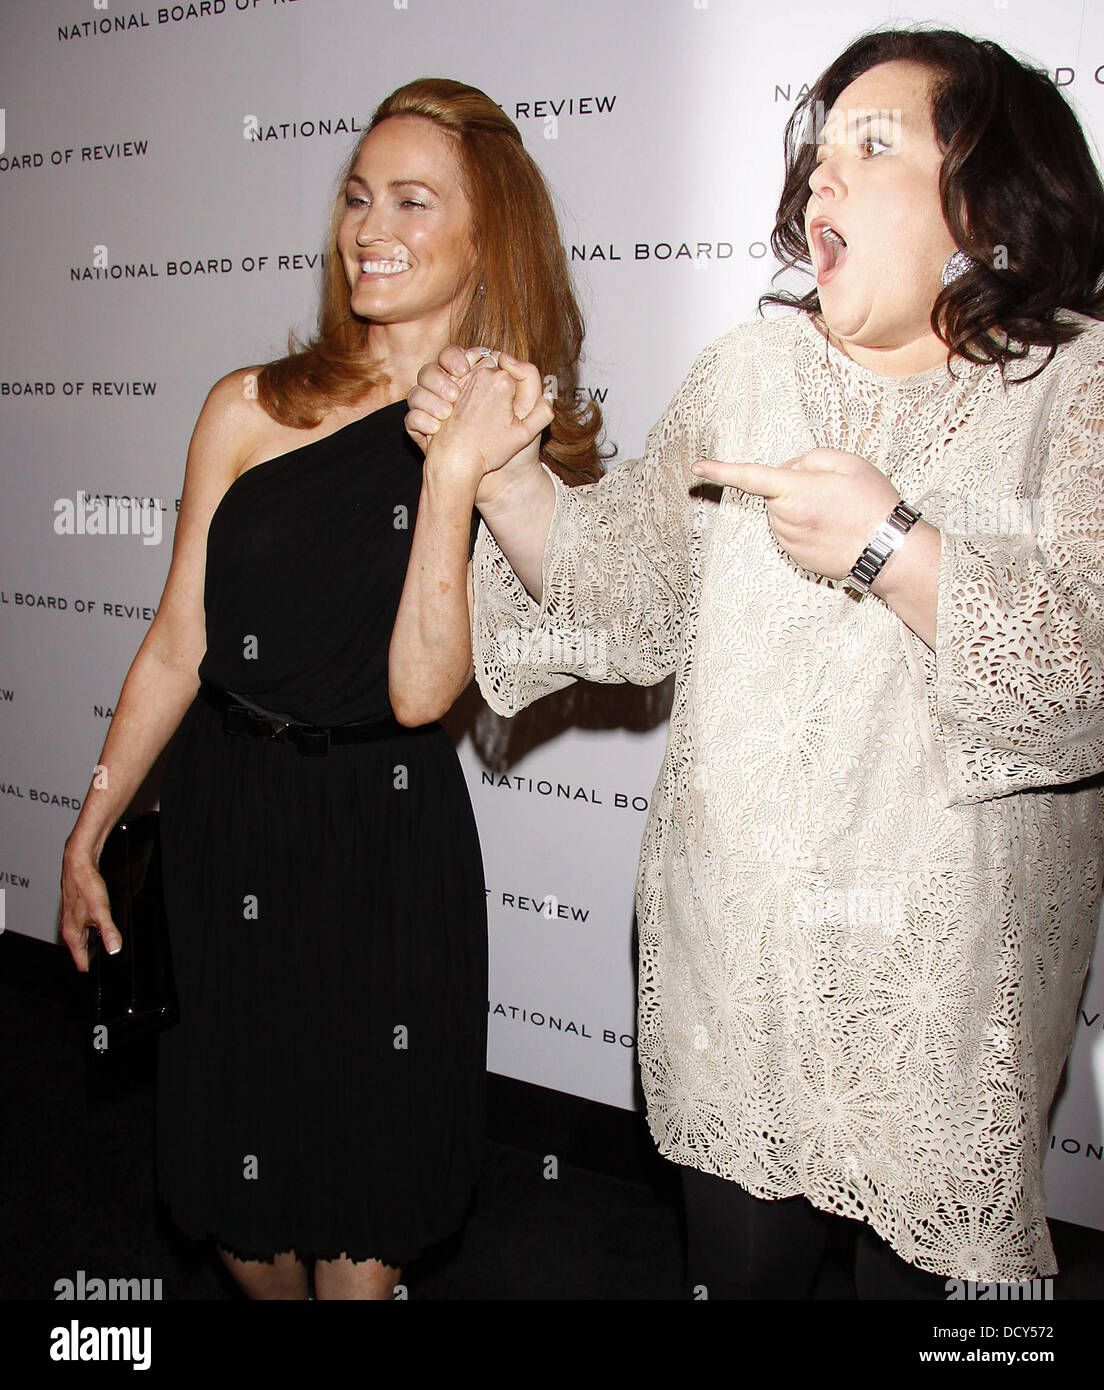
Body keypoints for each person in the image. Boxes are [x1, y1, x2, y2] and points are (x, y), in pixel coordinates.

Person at [404, 28, 1104, 1298]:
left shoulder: (1081, 387)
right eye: (817, 151)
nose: (820, 179)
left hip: (937, 1017)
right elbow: (626, 599)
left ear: (986, 194)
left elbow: (1087, 682)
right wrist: (502, 473)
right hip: (735, 984)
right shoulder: (751, 370)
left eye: (872, 145)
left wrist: (894, 546)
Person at [60, 77, 602, 1300]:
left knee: (360, 1239)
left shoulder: (515, 443)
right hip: (228, 822)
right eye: (358, 195)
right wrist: (93, 823)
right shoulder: (247, 408)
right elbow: (173, 641)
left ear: (486, 236)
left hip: (381, 843)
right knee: (243, 1226)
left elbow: (421, 691)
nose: (370, 225)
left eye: (413, 199)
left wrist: (455, 461)